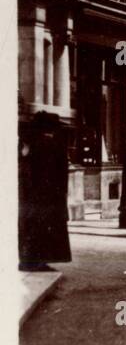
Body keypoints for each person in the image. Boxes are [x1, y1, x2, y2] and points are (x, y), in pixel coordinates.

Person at [19, 111, 71, 270]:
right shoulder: (54, 144)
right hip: (51, 195)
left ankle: (32, 259)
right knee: (47, 227)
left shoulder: (33, 143)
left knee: (35, 227)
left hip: (35, 195)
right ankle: (40, 260)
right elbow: (61, 172)